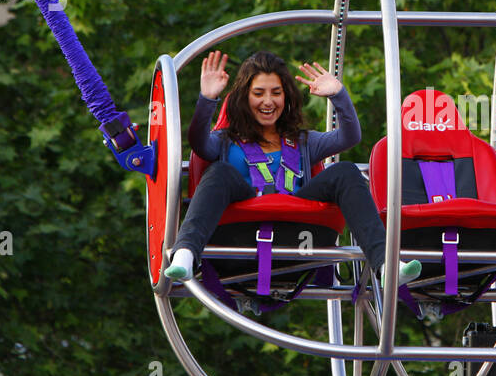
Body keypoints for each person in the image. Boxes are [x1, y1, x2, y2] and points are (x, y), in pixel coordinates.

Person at [163, 50, 421, 289]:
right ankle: (185, 253)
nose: (268, 101)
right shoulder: (224, 141)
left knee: (345, 170)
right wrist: (207, 99)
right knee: (219, 172)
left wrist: (338, 94)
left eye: (276, 93)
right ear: (245, 97)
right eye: (259, 93)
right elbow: (198, 143)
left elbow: (350, 137)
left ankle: (385, 264)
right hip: (238, 234)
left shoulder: (303, 141)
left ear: (286, 96)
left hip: (296, 235)